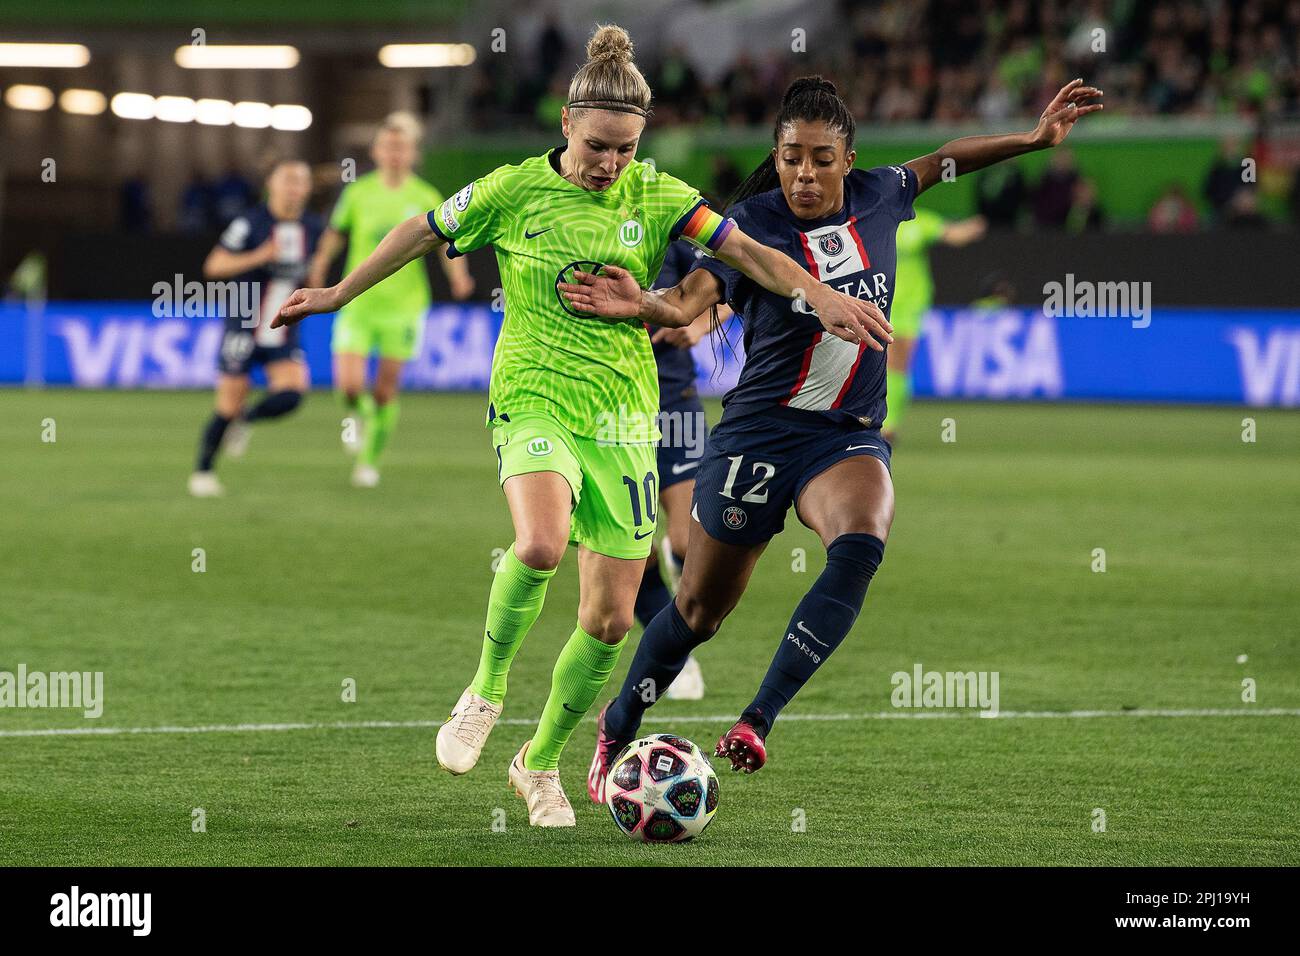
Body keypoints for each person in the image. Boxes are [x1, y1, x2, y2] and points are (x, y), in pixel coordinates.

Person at [273, 28, 891, 827]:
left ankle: (539, 766)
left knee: (606, 620)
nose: (611, 163)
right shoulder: (510, 191)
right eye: (599, 146)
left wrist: (820, 294)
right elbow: (422, 231)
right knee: (537, 543)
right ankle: (486, 690)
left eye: (627, 149)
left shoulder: (658, 195)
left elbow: (748, 253)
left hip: (626, 419)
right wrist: (337, 294)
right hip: (534, 397)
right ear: (567, 124)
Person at [569, 75, 1102, 791]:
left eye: (821, 158)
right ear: (776, 155)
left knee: (860, 544)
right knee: (698, 612)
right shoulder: (751, 223)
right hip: (758, 435)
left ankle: (756, 719)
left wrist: (1032, 139)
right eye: (791, 157)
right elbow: (688, 302)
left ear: (849, 160)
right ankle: (616, 728)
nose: (804, 174)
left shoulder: (884, 195)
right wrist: (643, 305)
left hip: (843, 435)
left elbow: (948, 158)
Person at [308, 112, 475, 488]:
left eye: (403, 148)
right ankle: (358, 417)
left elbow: (446, 242)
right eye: (389, 146)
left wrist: (459, 275)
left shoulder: (425, 195)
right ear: (377, 151)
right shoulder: (358, 192)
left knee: (384, 391)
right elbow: (336, 234)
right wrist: (320, 263)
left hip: (404, 307)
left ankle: (368, 462)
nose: (395, 154)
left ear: (412, 154)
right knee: (350, 387)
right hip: (359, 304)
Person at [189, 159, 321, 498]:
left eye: (301, 181)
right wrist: (259, 256)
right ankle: (202, 472)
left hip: (283, 326)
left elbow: (317, 270)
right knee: (226, 404)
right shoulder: (250, 223)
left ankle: (246, 419)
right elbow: (214, 265)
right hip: (244, 322)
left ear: (308, 189)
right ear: (271, 185)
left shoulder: (314, 227)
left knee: (292, 395)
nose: (294, 187)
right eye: (287, 180)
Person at [633, 240, 729, 701]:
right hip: (602, 410)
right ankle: (677, 659)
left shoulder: (668, 228)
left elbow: (733, 284)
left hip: (675, 403)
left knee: (691, 541)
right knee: (628, 556)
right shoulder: (572, 228)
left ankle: (680, 622)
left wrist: (700, 324)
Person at [882, 209, 986, 440]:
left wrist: (975, 225)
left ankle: (889, 424)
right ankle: (883, 423)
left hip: (910, 304)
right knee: (885, 364)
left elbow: (953, 235)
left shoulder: (918, 222)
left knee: (898, 364)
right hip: (880, 301)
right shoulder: (876, 220)